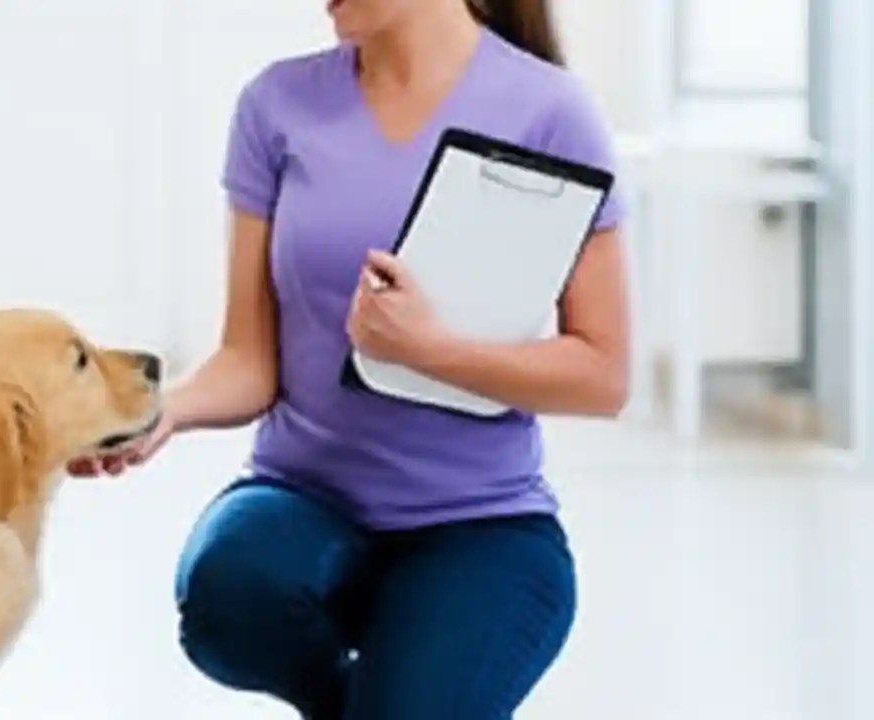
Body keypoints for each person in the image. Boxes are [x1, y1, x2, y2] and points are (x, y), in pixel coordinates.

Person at [70, 0, 629, 716]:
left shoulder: (551, 112)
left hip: (482, 523)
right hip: (301, 498)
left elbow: (602, 375)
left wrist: (430, 351)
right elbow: (248, 360)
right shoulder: (276, 105)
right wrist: (161, 413)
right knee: (228, 596)